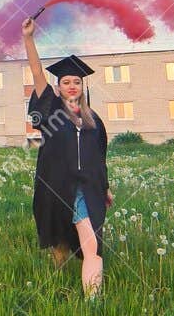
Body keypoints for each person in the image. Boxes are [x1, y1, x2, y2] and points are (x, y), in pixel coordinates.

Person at [22, 17, 111, 299]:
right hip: (55, 187)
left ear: (82, 87)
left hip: (85, 189)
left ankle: (93, 302)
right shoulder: (49, 111)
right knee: (59, 243)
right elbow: (37, 74)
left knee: (92, 246)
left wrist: (105, 186)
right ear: (58, 87)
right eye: (66, 82)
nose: (72, 86)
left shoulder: (93, 120)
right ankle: (56, 287)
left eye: (76, 82)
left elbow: (100, 156)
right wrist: (29, 39)